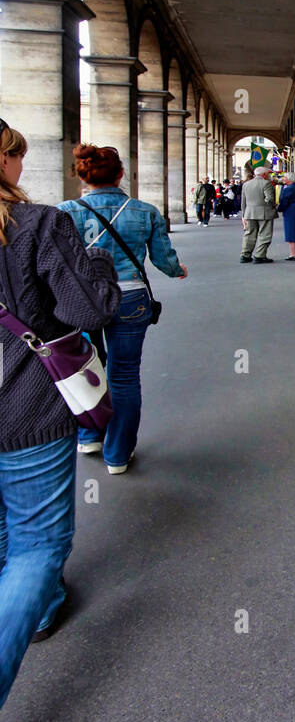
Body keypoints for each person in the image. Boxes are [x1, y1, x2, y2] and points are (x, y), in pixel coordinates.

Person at [0, 120, 121, 722]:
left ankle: (42, 610)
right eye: (18, 151)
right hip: (24, 408)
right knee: (38, 546)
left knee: (4, 534)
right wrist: (96, 261)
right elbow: (91, 306)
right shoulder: (39, 226)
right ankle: (36, 603)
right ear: (7, 160)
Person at [59, 143, 188, 474]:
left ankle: (89, 434)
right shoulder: (144, 211)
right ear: (121, 175)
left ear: (84, 175)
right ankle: (117, 454)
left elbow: (54, 264)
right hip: (129, 297)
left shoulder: (64, 212)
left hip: (82, 299)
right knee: (125, 373)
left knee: (86, 367)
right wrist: (177, 270)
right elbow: (163, 258)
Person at [239, 168, 276, 263]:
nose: (268, 175)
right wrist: (272, 206)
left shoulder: (246, 184)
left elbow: (243, 201)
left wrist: (243, 214)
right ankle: (260, 255)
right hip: (265, 212)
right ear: (263, 174)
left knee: (249, 234)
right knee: (265, 234)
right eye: (267, 174)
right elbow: (270, 199)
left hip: (249, 212)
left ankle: (245, 255)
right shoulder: (266, 183)